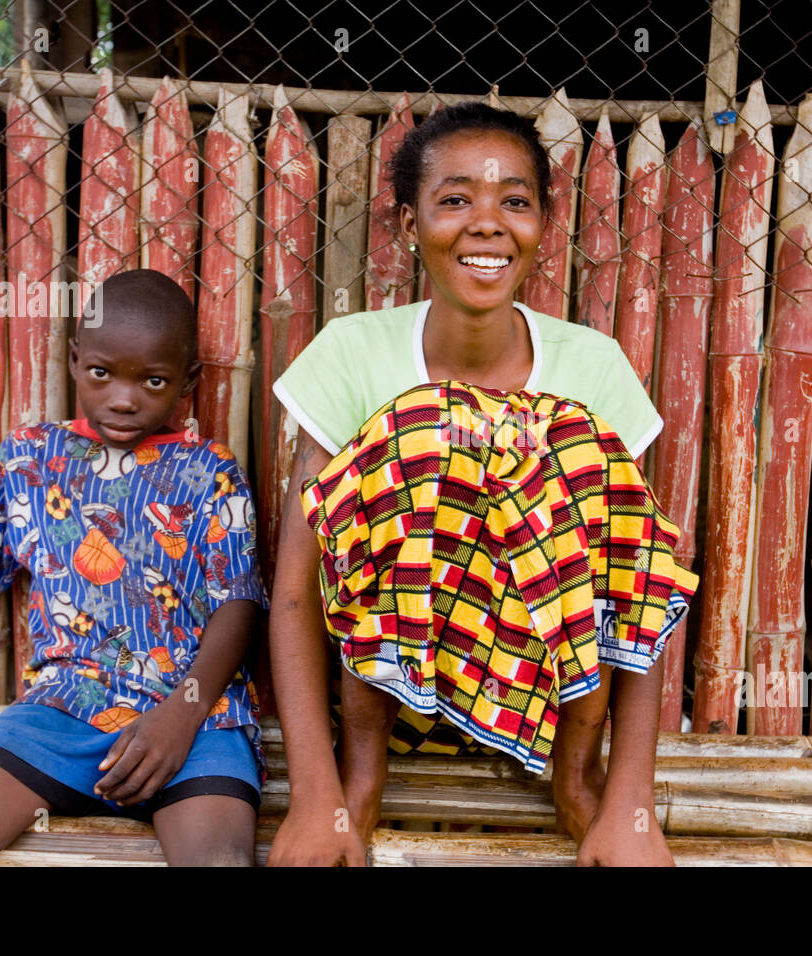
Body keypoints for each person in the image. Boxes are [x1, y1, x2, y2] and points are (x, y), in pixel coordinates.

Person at [267, 102, 699, 866]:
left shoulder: (592, 366)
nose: (488, 224)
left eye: (515, 201)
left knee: (560, 437)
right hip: (390, 694)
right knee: (424, 429)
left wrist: (631, 801)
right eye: (456, 198)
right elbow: (299, 588)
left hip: (554, 695)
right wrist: (316, 793)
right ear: (408, 223)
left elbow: (638, 584)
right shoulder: (352, 355)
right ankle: (363, 776)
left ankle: (577, 778)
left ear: (542, 225)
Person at [0, 269, 269, 866]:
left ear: (188, 381)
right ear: (74, 361)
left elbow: (239, 604)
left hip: (196, 723)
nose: (124, 397)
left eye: (153, 380)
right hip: (59, 714)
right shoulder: (31, 459)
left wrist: (183, 713)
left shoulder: (211, 474)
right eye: (102, 372)